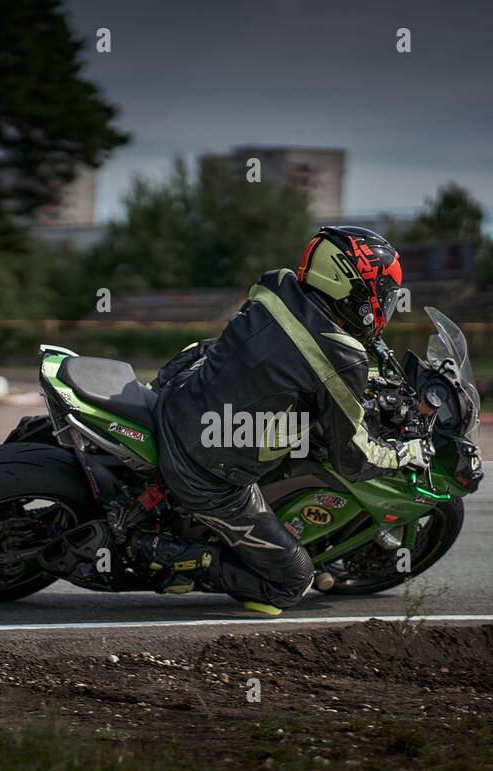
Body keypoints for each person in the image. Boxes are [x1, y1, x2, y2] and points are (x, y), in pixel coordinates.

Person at [127, 226, 426, 615]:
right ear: (352, 285)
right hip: (205, 470)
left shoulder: (277, 286)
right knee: (291, 581)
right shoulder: (341, 357)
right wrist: (405, 452)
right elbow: (354, 458)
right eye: (382, 292)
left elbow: (284, 361)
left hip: (179, 396)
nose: (385, 303)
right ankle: (166, 557)